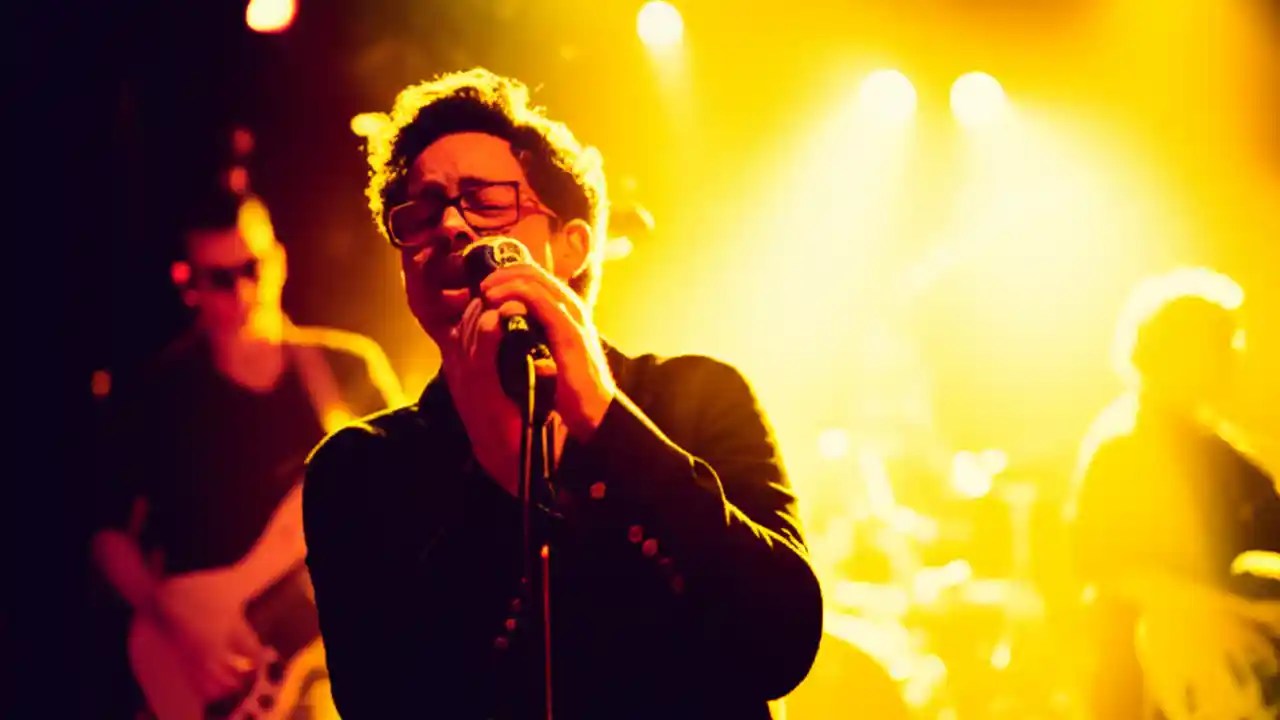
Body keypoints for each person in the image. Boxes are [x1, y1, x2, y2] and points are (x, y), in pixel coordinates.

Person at [301, 67, 823, 719]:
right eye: (421, 213)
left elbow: (783, 643)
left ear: (570, 246)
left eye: (485, 200)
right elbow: (387, 703)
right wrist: (498, 486)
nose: (452, 228)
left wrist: (609, 426)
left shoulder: (695, 397)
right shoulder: (359, 468)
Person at [91, 184, 403, 719]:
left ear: (278, 262)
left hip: (334, 655)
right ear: (187, 283)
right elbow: (106, 532)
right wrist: (179, 622)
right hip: (207, 668)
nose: (239, 292)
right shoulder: (157, 391)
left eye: (250, 269)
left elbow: (406, 500)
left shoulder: (347, 369)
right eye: (217, 278)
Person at [1065, 267, 1280, 719]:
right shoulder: (1123, 447)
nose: (1232, 358)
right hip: (1149, 687)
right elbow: (1116, 573)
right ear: (1168, 352)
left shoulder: (1233, 461)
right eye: (1217, 344)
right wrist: (1242, 613)